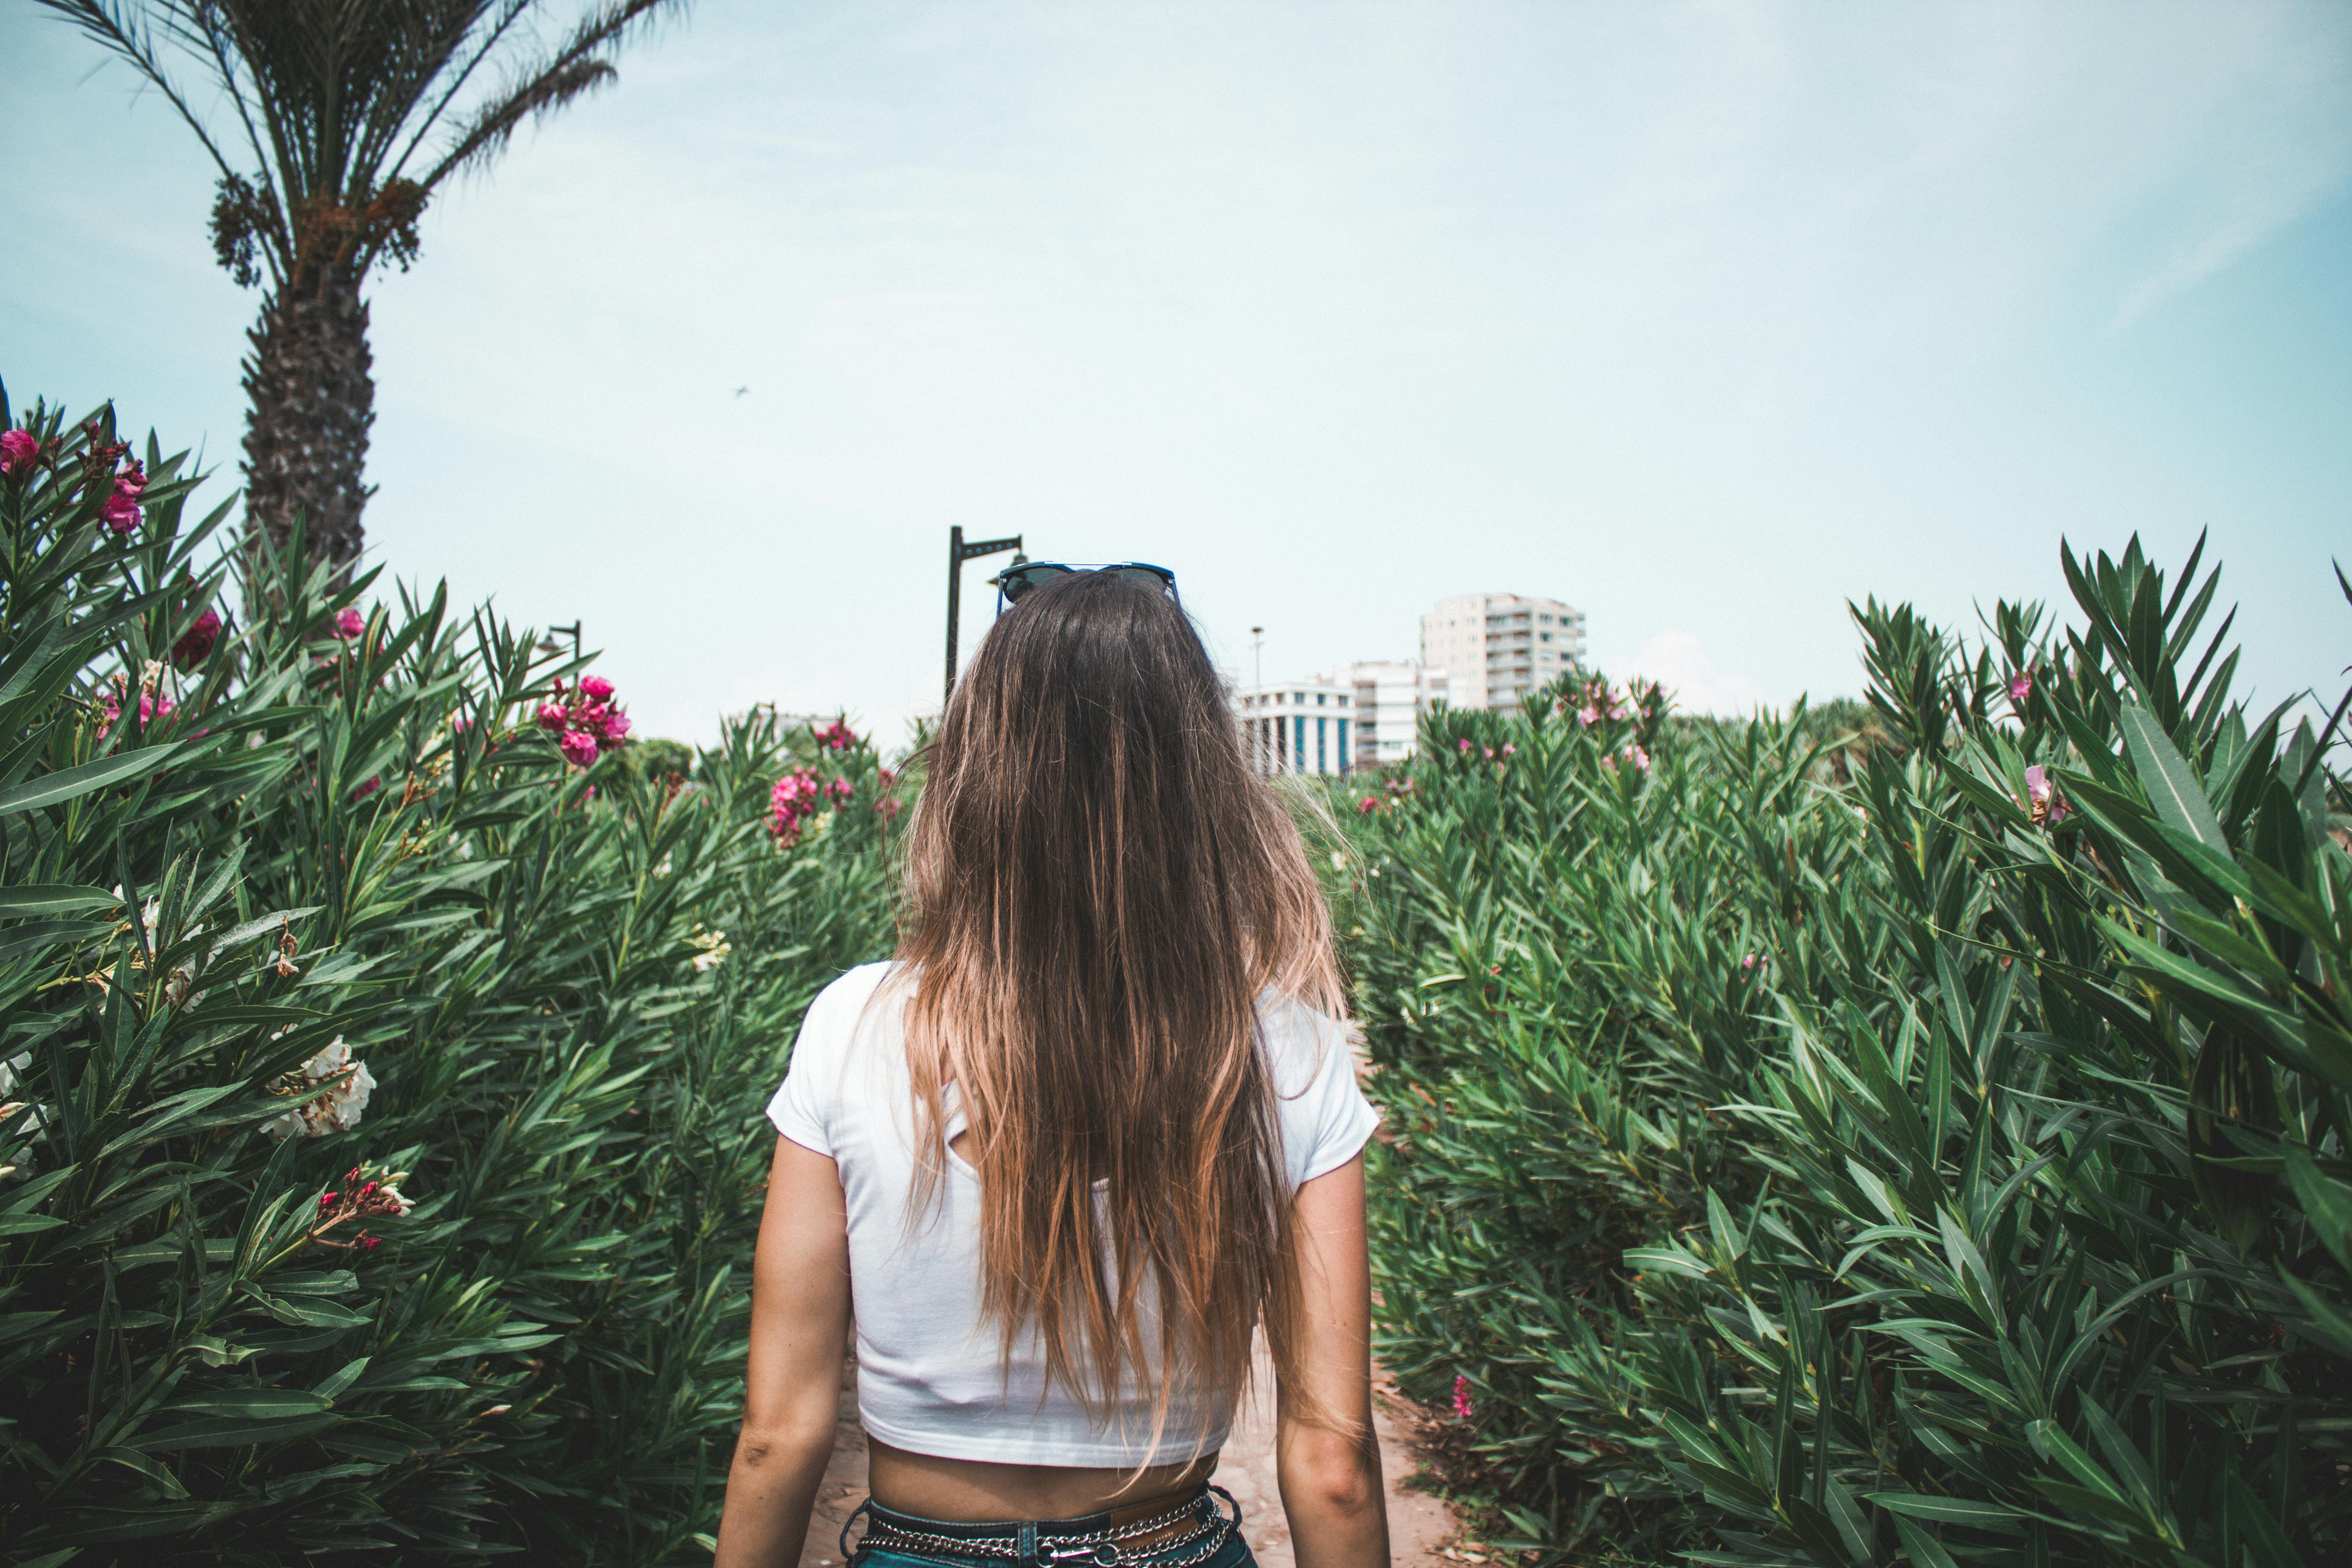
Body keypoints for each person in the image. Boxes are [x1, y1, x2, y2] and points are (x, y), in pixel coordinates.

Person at [713, 563, 1392, 1568]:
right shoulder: (1287, 1052)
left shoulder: (854, 1026)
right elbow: (1332, 1459)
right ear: (1200, 776)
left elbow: (782, 1432)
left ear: (980, 769)